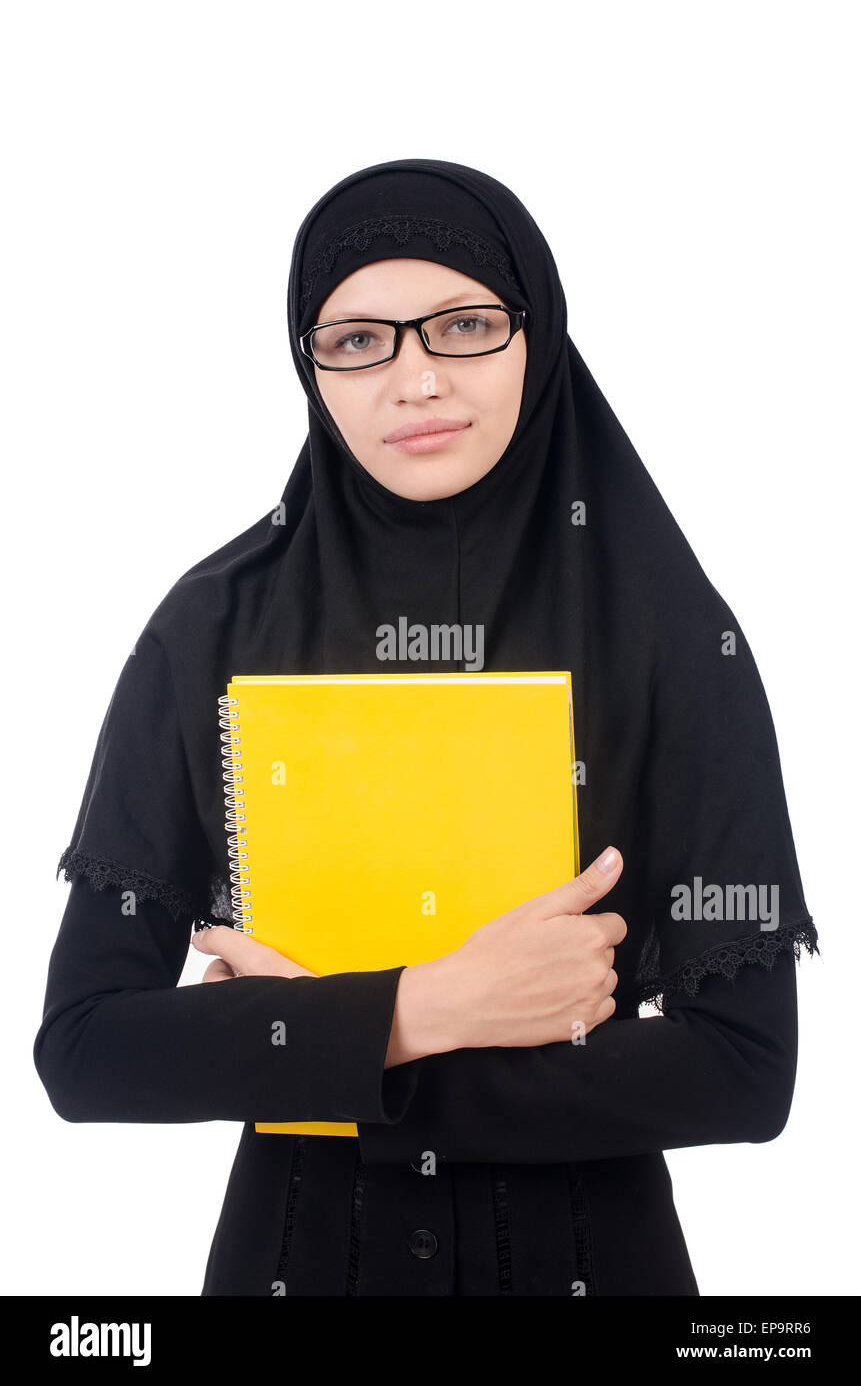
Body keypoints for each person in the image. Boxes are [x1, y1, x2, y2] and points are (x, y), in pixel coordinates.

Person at [34, 158, 819, 1296]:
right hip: (297, 1266)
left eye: (461, 326)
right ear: (309, 366)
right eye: (356, 341)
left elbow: (746, 1072)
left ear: (535, 336)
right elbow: (88, 1051)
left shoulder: (672, 633)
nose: (411, 381)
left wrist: (319, 1042)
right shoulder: (210, 629)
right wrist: (423, 1010)